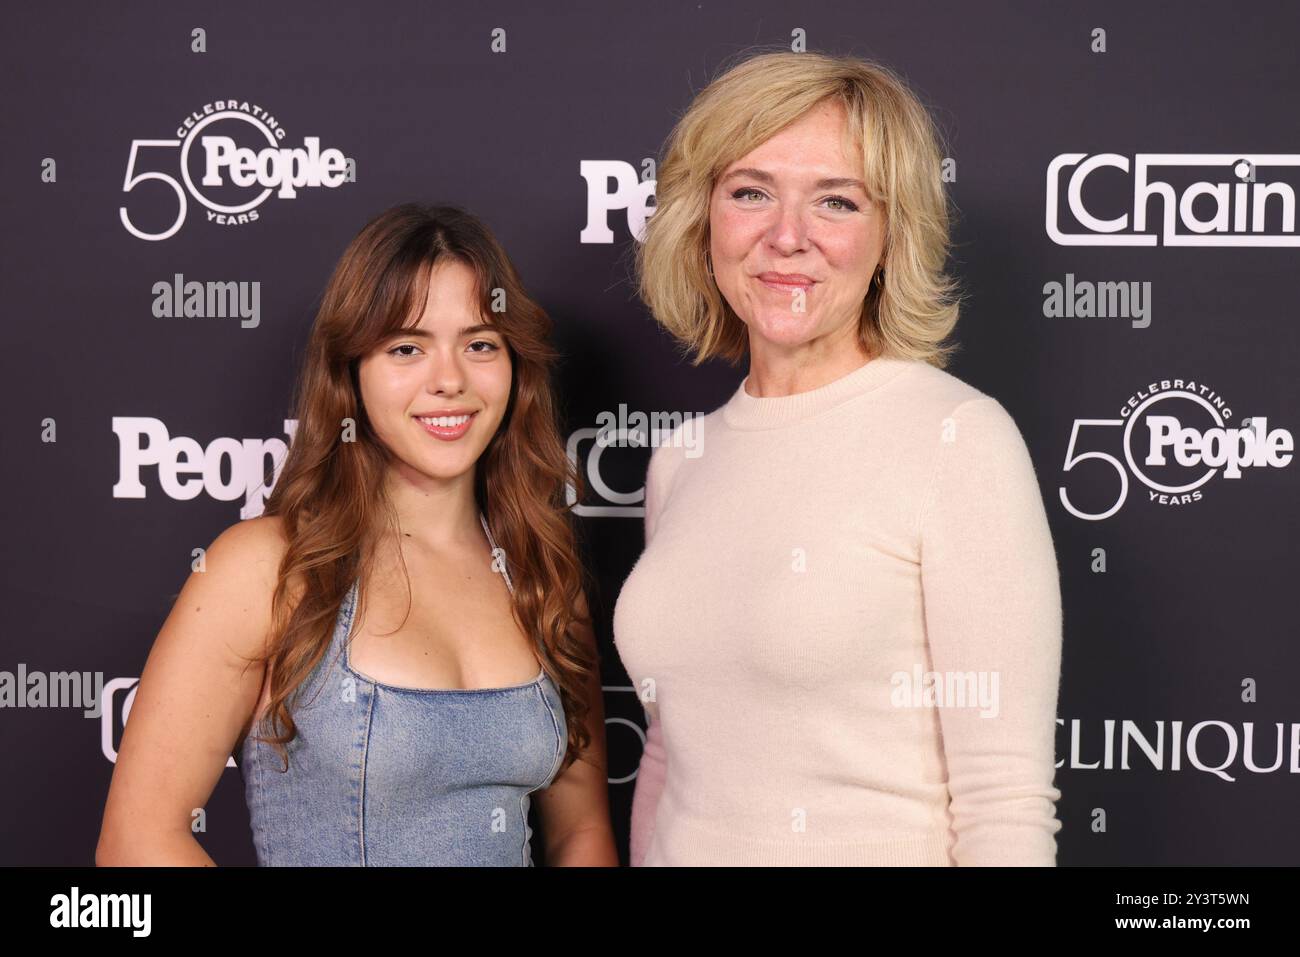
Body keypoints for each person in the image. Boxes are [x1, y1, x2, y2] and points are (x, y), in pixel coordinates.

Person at [613, 49, 1065, 866]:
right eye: (751, 192)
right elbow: (672, 757)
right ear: (701, 217)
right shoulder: (682, 459)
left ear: (890, 236)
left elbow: (1005, 804)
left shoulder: (958, 440)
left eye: (837, 201)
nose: (788, 237)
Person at [97, 203, 618, 866]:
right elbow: (138, 838)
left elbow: (582, 835)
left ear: (515, 367)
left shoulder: (543, 571)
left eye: (480, 343)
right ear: (352, 373)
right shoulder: (269, 567)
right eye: (407, 348)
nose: (450, 379)